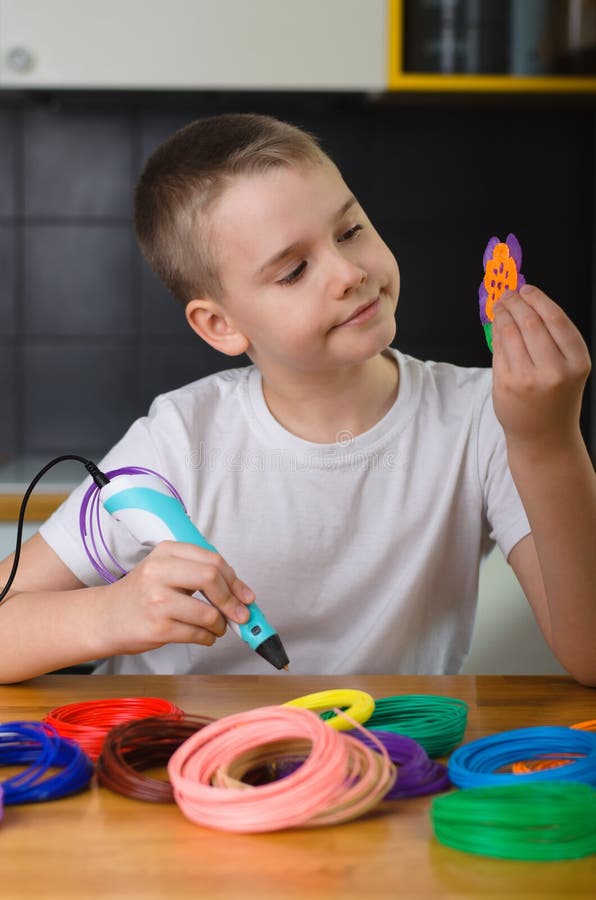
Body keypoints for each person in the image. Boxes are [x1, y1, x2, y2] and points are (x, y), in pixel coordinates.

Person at [0, 113, 594, 684]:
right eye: (293, 271)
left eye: (350, 230)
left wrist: (546, 439)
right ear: (220, 325)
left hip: (383, 762)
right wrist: (108, 615)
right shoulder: (177, 443)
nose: (347, 273)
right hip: (178, 762)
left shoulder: (486, 420)